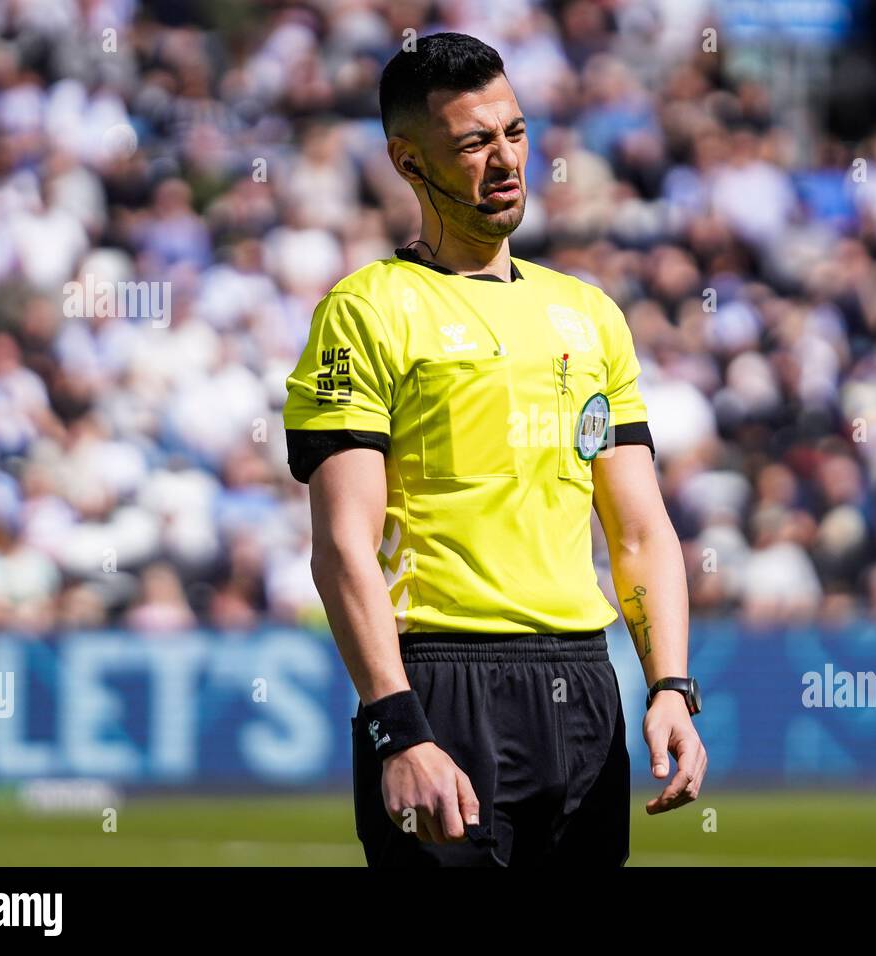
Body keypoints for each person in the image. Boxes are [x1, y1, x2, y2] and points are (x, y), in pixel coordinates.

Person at [282, 32, 706, 866]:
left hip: (584, 687)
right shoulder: (367, 311)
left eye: (514, 132)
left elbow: (640, 533)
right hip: (442, 680)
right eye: (473, 143)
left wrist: (670, 687)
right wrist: (397, 730)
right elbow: (341, 548)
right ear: (409, 162)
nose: (506, 159)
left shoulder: (590, 314)